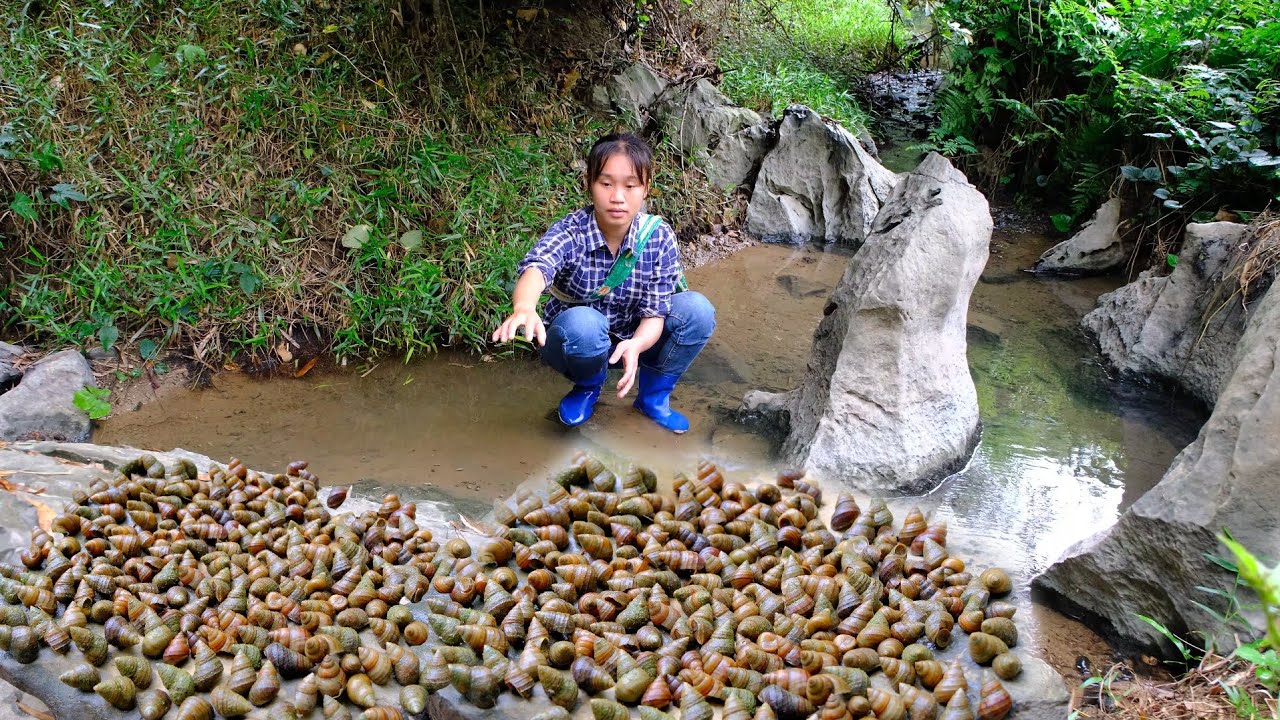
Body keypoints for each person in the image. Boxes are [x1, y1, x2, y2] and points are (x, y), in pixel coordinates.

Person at [491, 133, 716, 433]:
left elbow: (655, 314)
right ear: (590, 184)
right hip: (578, 342)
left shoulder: (659, 237)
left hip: (633, 341)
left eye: (630, 185)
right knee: (584, 323)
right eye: (606, 184)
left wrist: (637, 344)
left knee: (697, 311)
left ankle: (653, 398)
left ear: (646, 188)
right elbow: (537, 267)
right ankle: (587, 388)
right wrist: (524, 307)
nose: (617, 197)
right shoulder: (571, 230)